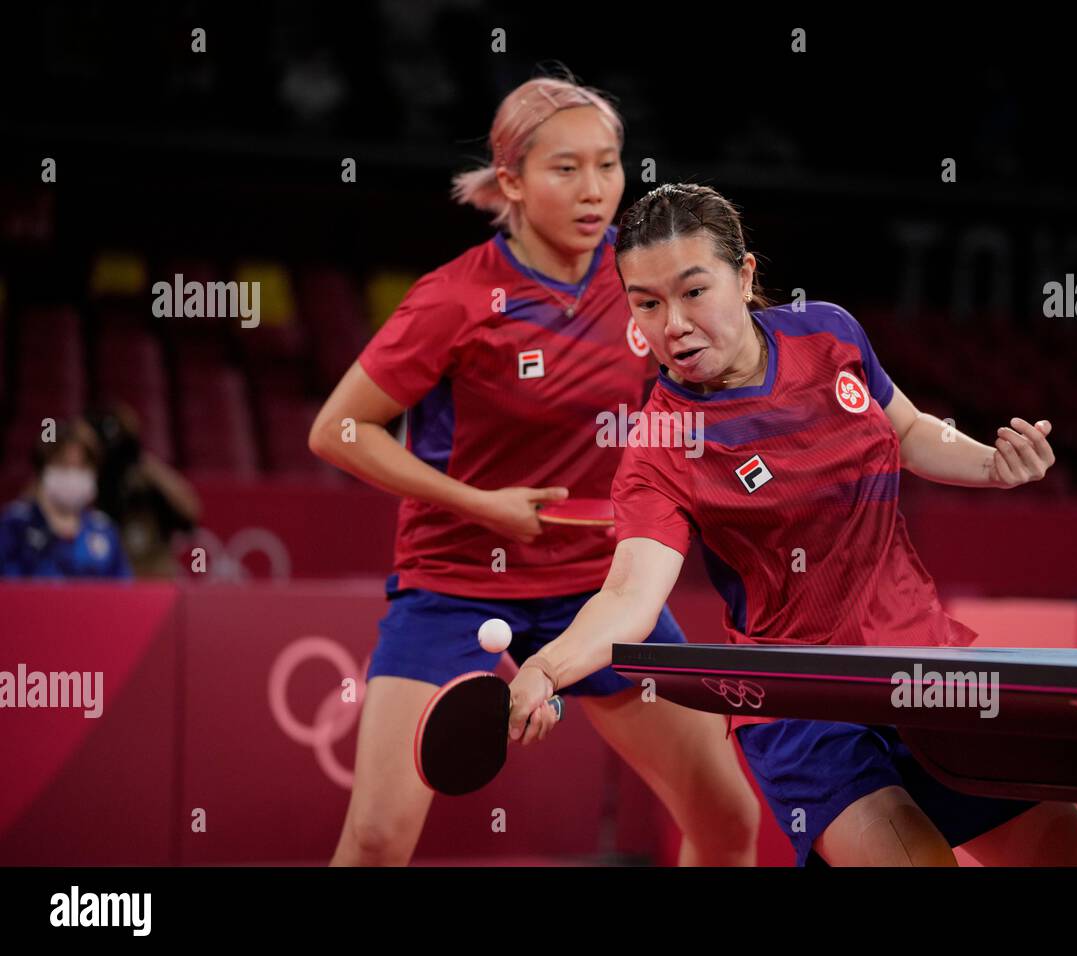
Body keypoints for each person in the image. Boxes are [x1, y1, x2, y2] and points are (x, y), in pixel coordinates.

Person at [506, 182, 1077, 867]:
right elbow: (628, 597)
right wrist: (548, 668)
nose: (670, 322)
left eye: (693, 291)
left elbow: (906, 429)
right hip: (804, 704)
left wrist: (993, 467)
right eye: (647, 303)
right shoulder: (661, 445)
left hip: (927, 670)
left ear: (744, 276)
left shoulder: (829, 332)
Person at [309, 77, 759, 866]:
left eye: (610, 165)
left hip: (601, 589)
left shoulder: (640, 282)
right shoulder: (453, 299)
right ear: (511, 181)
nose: (595, 191)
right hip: (454, 584)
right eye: (566, 169)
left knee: (728, 819)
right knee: (377, 839)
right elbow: (339, 431)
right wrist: (478, 505)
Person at [1, 417, 133, 580]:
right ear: (43, 471)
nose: (71, 474)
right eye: (62, 465)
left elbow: (123, 592)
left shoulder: (104, 530)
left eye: (81, 466)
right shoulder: (15, 524)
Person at [85, 403, 202, 578]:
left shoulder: (148, 476)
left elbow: (191, 510)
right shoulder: (89, 483)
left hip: (156, 580)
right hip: (109, 583)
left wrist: (139, 458)